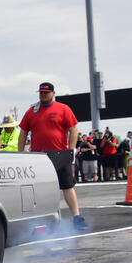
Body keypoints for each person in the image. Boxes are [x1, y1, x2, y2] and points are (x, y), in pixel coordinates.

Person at [18, 81, 88, 230]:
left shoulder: (63, 109)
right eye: (41, 93)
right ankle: (43, 220)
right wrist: (21, 152)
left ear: (53, 94)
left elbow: (73, 129)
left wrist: (72, 149)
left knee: (67, 185)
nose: (43, 95)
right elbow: (23, 131)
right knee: (40, 189)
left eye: (46, 93)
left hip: (60, 154)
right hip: (39, 156)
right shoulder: (32, 111)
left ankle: (76, 217)